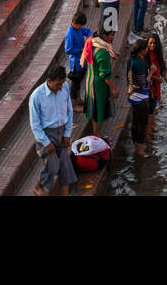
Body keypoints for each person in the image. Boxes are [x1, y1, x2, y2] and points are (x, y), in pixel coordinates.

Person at [29, 66, 77, 196]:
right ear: (49, 81)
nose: (60, 87)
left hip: (61, 134)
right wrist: (46, 142)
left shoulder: (65, 87)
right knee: (53, 165)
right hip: (45, 135)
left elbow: (69, 112)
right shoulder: (36, 96)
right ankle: (39, 186)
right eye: (57, 84)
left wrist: (67, 134)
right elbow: (35, 124)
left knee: (66, 170)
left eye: (62, 84)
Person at [81, 27, 117, 138]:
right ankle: (97, 134)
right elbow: (105, 75)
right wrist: (114, 88)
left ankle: (96, 133)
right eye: (110, 35)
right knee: (98, 110)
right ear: (104, 36)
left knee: (94, 109)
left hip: (90, 81)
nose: (112, 37)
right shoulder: (102, 52)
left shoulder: (92, 42)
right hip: (99, 86)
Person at [127, 39, 154, 158]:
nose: (148, 50)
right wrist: (152, 72)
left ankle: (136, 146)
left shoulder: (131, 61)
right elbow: (143, 83)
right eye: (146, 48)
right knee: (142, 124)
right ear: (142, 50)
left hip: (132, 96)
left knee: (135, 123)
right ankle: (141, 150)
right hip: (141, 97)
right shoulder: (140, 64)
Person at [64, 10, 92, 109]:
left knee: (79, 81)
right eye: (80, 25)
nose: (81, 27)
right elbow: (68, 49)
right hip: (75, 62)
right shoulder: (70, 34)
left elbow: (88, 31)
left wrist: (89, 39)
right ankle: (73, 104)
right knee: (75, 83)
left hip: (82, 60)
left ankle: (79, 98)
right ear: (75, 23)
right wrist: (80, 50)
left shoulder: (79, 29)